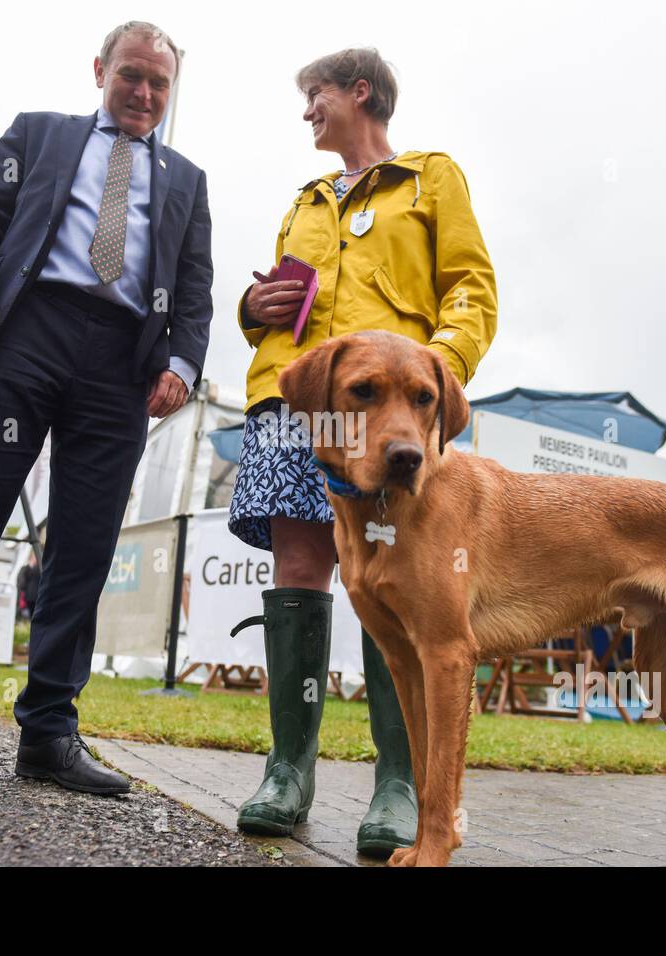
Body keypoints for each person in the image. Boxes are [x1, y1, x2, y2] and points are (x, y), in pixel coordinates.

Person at [0, 20, 213, 791]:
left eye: (160, 83)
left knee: (85, 548)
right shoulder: (38, 134)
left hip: (121, 364)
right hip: (24, 334)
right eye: (132, 76)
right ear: (100, 69)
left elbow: (194, 288)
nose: (146, 94)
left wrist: (184, 362)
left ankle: (49, 730)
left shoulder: (188, 180)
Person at [227, 48, 497, 856]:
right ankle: (288, 772)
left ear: (360, 92)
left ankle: (399, 785)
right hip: (298, 401)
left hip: (392, 416)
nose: (307, 109)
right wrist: (252, 304)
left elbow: (473, 287)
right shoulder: (304, 201)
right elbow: (279, 317)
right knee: (302, 569)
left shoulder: (430, 178)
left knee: (409, 592)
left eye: (315, 94)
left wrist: (435, 374)